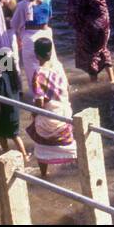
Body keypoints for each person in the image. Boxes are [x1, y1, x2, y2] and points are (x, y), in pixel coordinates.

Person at [27, 37, 76, 178]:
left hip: (50, 114)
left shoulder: (38, 74)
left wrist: (34, 114)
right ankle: (78, 162)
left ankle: (44, 175)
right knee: (70, 144)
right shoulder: (58, 66)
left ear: (36, 54)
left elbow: (40, 102)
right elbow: (66, 87)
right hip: (64, 111)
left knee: (40, 144)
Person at [11, 0, 55, 95]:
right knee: (49, 69)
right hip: (46, 36)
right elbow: (49, 16)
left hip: (30, 40)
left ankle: (37, 101)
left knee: (33, 74)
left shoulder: (23, 5)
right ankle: (51, 97)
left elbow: (14, 24)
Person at [0, 46, 28, 162]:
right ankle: (24, 156)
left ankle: (6, 153)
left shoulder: (0, 78)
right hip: (13, 111)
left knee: (1, 134)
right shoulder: (13, 75)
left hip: (2, 112)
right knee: (15, 135)